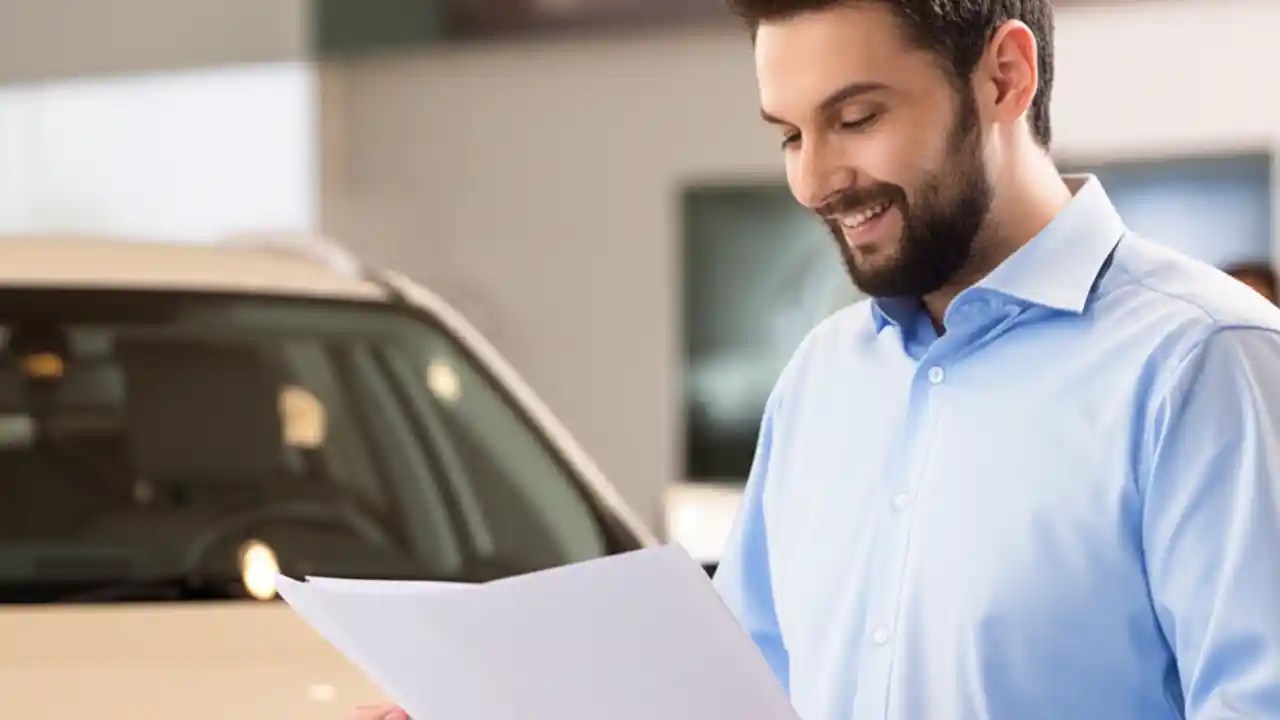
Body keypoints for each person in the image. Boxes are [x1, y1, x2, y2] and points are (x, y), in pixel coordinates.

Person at [353, 1, 1280, 718]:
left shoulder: (1206, 365)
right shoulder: (823, 380)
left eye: (858, 117)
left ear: (1003, 76)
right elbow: (740, 695)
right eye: (791, 134)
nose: (814, 179)